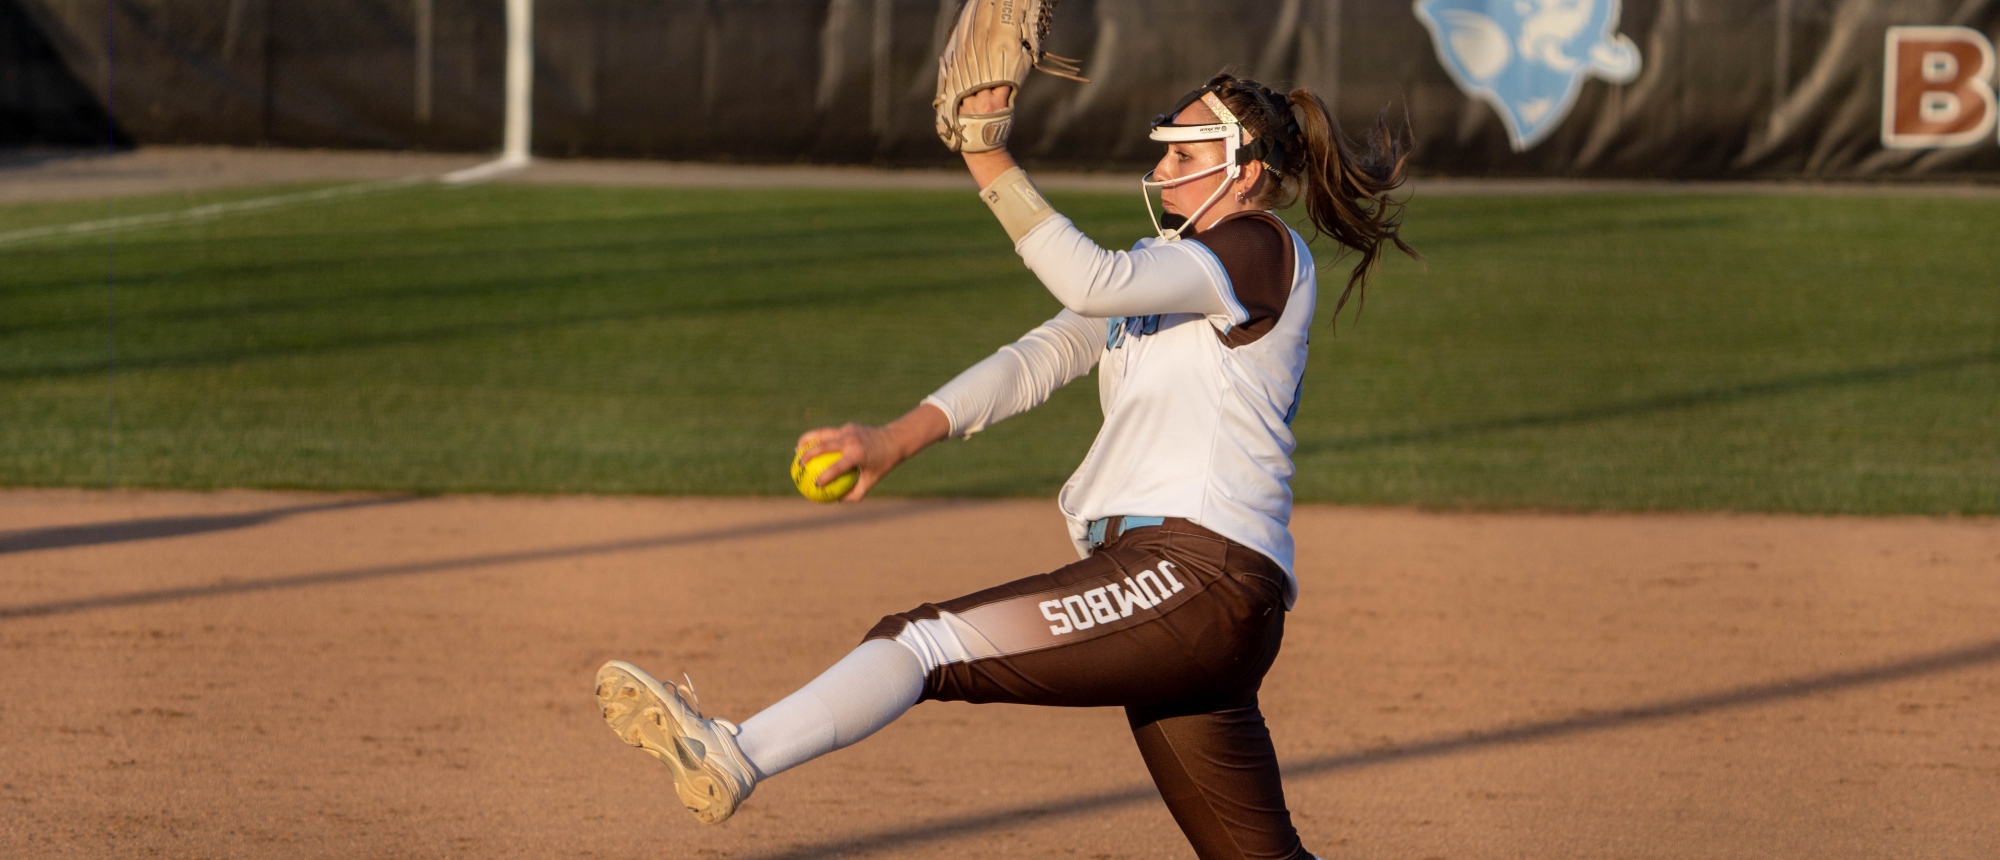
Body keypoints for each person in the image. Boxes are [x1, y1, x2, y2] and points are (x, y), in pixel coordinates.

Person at [595, 72, 1415, 860]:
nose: (1161, 171)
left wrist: (988, 156)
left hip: (1194, 578)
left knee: (920, 644)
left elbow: (1090, 281)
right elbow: (1043, 355)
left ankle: (735, 753)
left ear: (1249, 173)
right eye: (1164, 153)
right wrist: (891, 440)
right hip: (1191, 595)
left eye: (1186, 157)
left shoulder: (1257, 247)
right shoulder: (1178, 269)